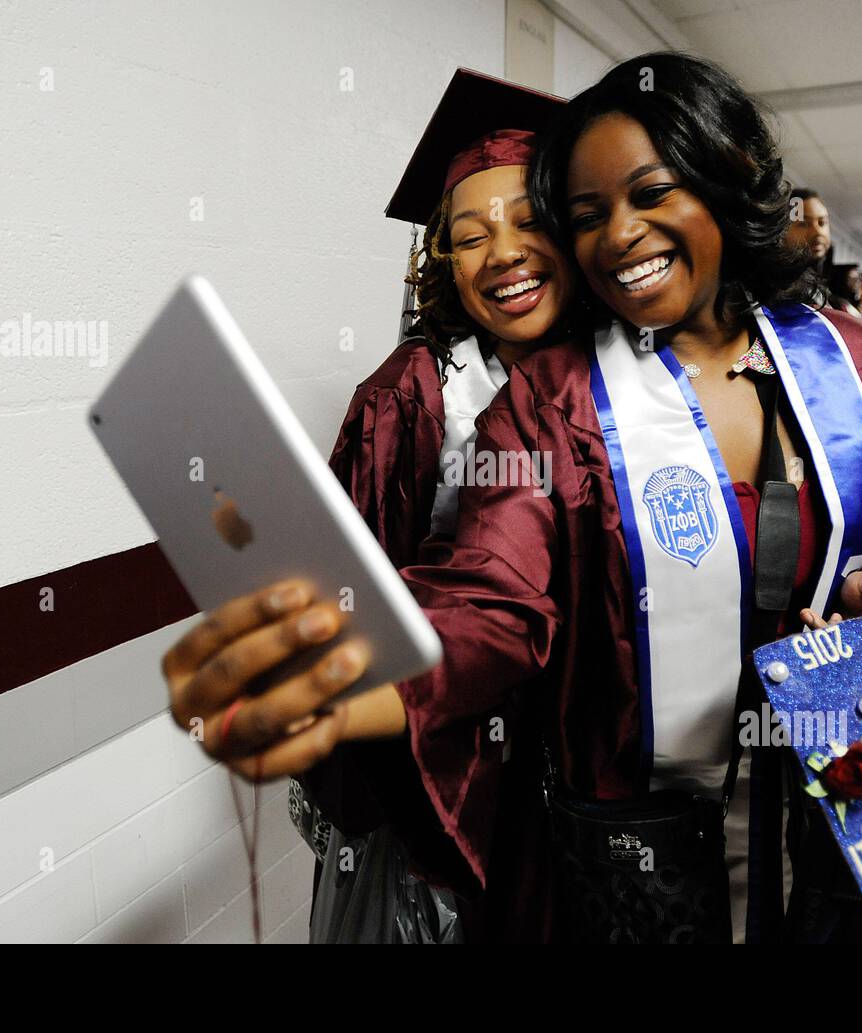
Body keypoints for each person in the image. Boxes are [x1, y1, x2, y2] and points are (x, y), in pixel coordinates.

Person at [161, 53, 862, 945]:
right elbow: (495, 590)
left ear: (726, 179)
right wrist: (350, 685)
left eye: (650, 193)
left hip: (842, 782)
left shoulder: (851, 361)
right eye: (588, 215)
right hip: (641, 835)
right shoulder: (558, 399)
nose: (618, 234)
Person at [291, 69, 576, 942]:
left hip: (594, 770)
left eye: (531, 220)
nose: (506, 252)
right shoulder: (411, 394)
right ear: (443, 261)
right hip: (456, 767)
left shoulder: (628, 375)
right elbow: (360, 599)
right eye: (470, 235)